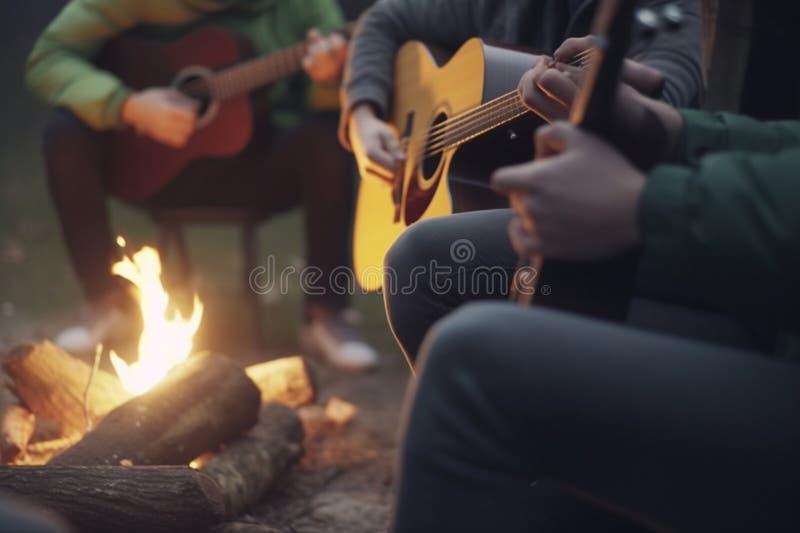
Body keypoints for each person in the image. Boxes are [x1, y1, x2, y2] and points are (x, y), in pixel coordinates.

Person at [389, 76, 800, 531]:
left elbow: (675, 48)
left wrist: (652, 205)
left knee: (470, 363)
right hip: (768, 297)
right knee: (423, 261)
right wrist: (669, 131)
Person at [26, 0, 379, 371]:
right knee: (65, 134)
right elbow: (48, 59)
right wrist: (127, 105)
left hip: (258, 168)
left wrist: (330, 79)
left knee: (330, 137)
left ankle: (326, 314)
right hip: (149, 163)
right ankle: (104, 301)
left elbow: (344, 100)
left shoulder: (305, 7)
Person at [341, 0, 703, 187]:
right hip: (507, 209)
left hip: (607, 210)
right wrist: (363, 116)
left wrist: (612, 102)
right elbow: (383, 19)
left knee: (418, 261)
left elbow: (670, 91)